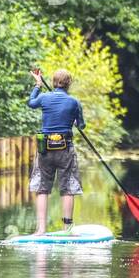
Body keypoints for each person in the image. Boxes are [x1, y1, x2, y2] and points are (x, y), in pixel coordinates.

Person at [26, 67, 86, 234]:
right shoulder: (74, 102)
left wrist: (38, 85)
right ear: (69, 84)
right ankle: (67, 227)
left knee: (42, 189)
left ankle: (41, 229)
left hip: (45, 150)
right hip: (65, 149)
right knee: (67, 188)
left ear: (53, 83)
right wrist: (74, 121)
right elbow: (81, 125)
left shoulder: (44, 98)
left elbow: (31, 103)